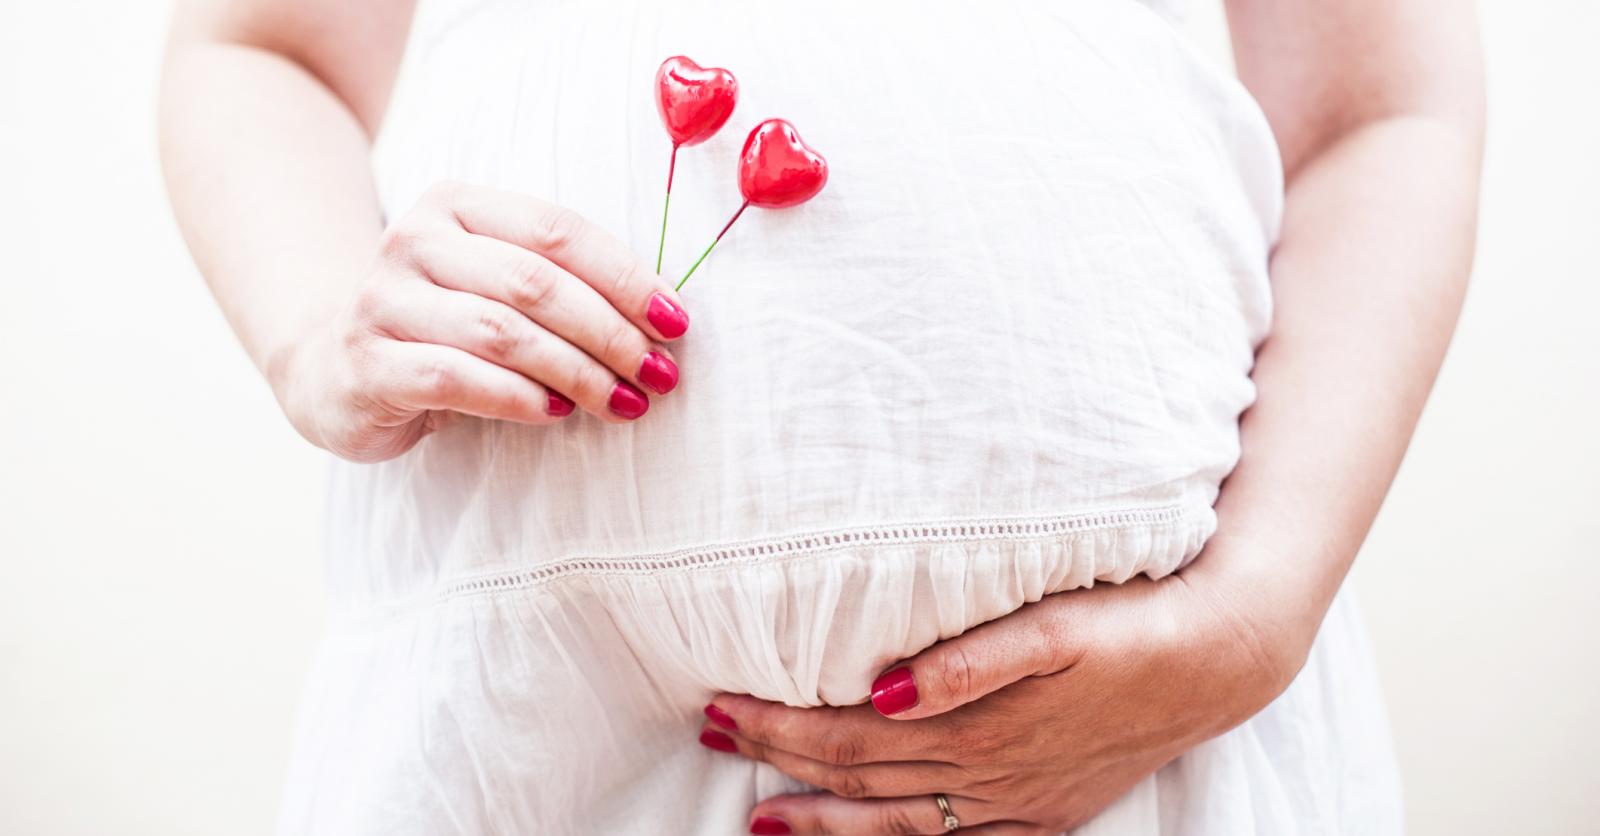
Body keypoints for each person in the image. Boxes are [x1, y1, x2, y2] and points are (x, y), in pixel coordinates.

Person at [160, 1, 1482, 833]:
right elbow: (258, 44)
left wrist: (1254, 616)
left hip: (1126, 751)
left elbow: (1380, 111)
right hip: (528, 729)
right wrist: (318, 321)